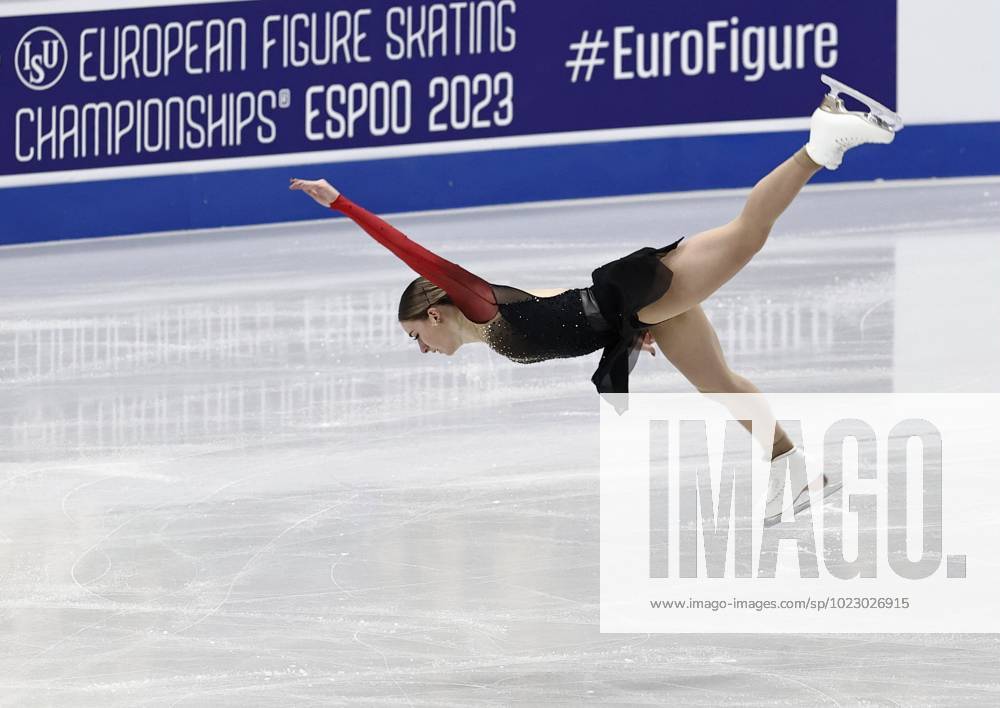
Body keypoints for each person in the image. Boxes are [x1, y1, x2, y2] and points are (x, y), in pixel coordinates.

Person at [290, 75, 901, 526]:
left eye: (415, 336)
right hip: (632, 310)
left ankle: (820, 143)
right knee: (717, 382)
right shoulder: (492, 324)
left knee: (746, 235)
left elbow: (414, 253)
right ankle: (797, 475)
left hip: (633, 291)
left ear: (434, 312)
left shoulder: (479, 305)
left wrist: (343, 205)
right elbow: (564, 305)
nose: (420, 348)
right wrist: (630, 331)